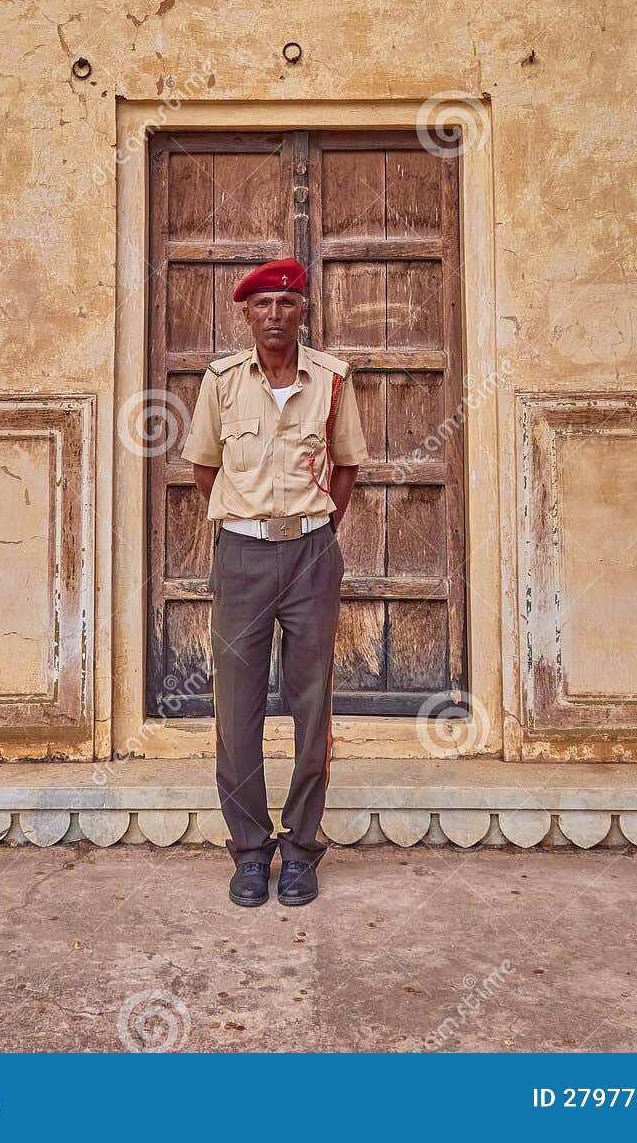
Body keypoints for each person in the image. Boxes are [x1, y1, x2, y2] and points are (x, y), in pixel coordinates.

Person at [182, 257, 367, 907]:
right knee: (236, 710)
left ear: (302, 311)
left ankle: (300, 851)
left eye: (286, 304)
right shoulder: (222, 382)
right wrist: (251, 520)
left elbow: (345, 466)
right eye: (262, 305)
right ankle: (249, 851)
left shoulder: (333, 380)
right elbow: (205, 468)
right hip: (242, 556)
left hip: (311, 554)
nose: (274, 316)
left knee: (311, 705)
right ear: (246, 314)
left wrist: (314, 530)